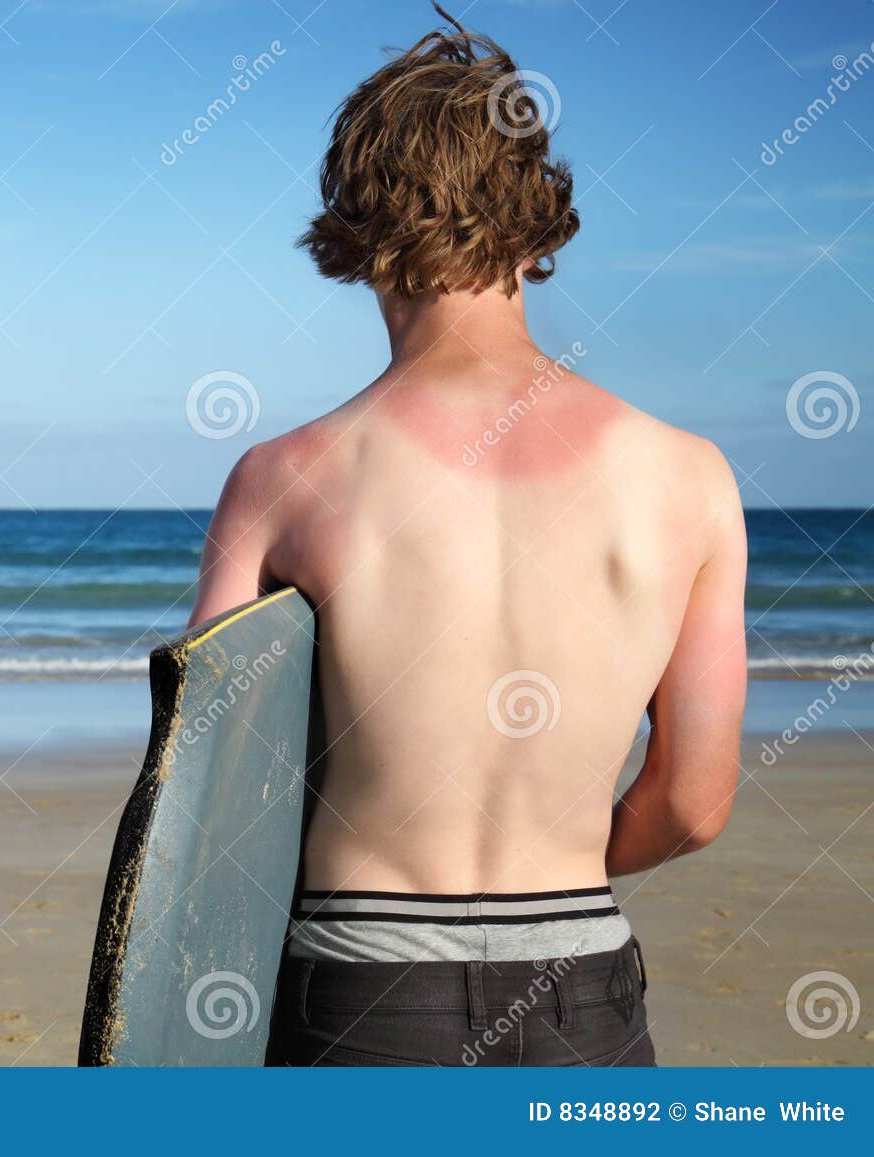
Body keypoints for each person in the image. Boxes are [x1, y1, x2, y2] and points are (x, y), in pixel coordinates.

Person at [187, 7, 747, 1067]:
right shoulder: (688, 477)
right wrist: (561, 873)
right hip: (580, 992)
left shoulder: (280, 479)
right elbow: (691, 800)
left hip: (354, 997)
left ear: (354, 229)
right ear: (540, 229)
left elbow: (208, 801)